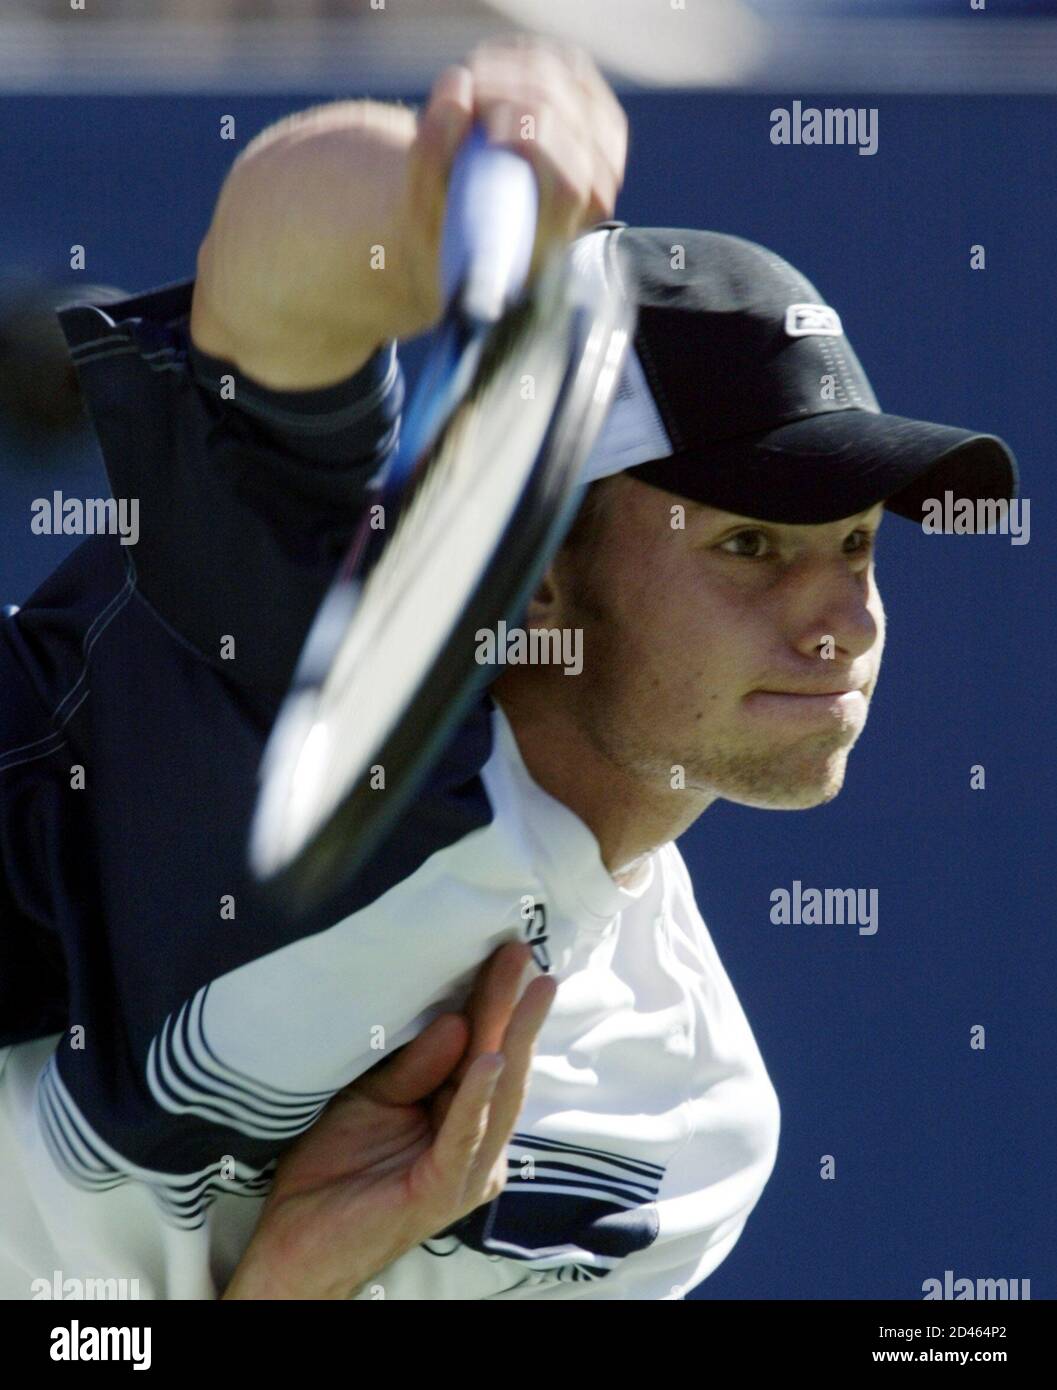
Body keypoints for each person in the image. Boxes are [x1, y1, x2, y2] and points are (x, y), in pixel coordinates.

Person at [0, 36, 1016, 1301]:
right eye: (750, 545)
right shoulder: (295, 644)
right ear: (536, 567)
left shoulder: (688, 1137)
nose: (842, 622)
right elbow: (269, 261)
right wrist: (437, 185)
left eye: (856, 546)